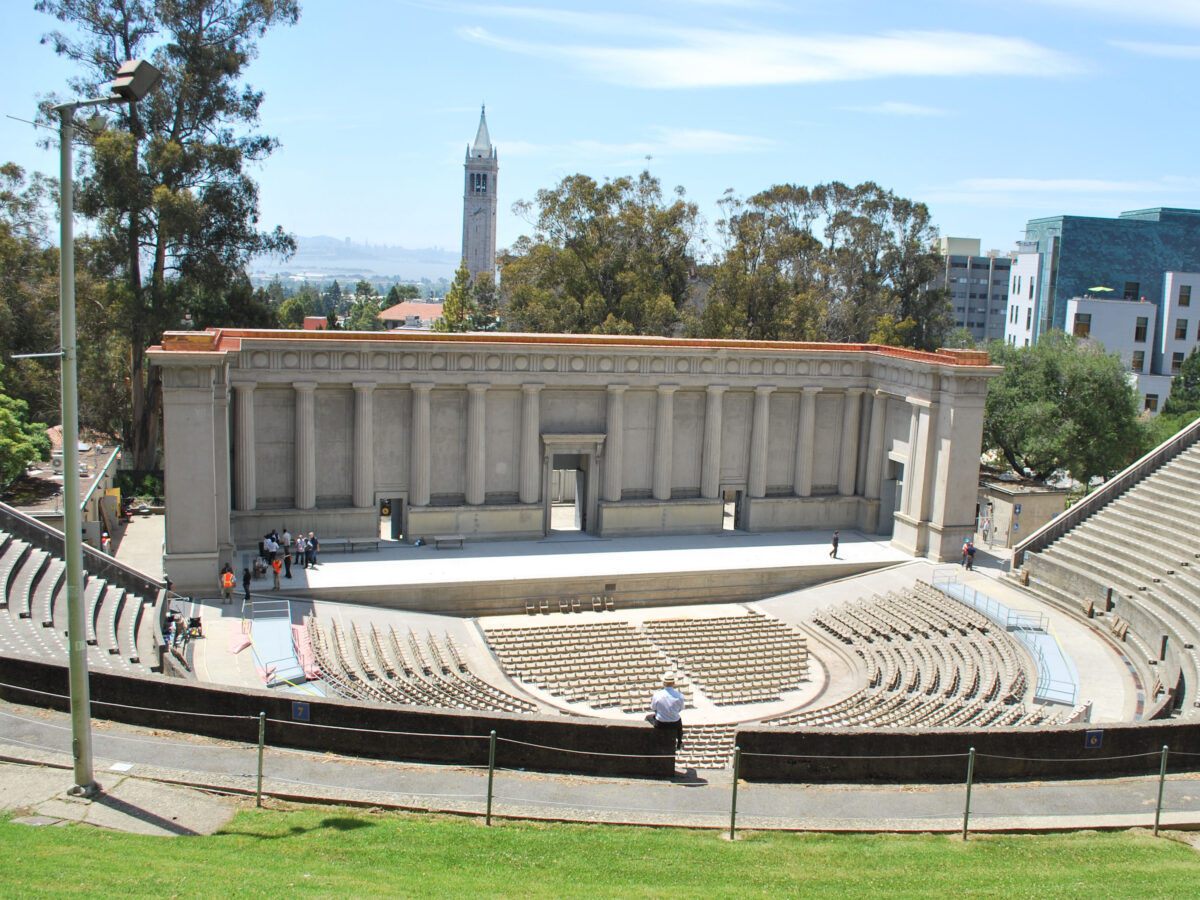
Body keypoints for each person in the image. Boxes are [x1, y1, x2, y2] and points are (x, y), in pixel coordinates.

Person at [648, 671, 685, 750]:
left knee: (648, 718)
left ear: (664, 682)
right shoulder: (680, 696)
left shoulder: (657, 694)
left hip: (660, 723)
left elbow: (653, 708)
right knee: (679, 721)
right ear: (674, 682)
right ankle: (679, 742)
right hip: (674, 723)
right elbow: (680, 709)